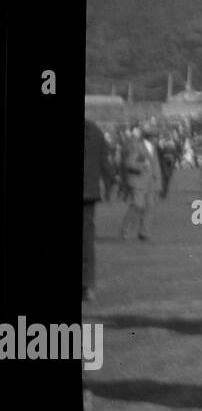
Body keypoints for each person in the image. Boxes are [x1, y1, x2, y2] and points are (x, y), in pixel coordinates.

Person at [83, 118, 115, 302]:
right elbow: (105, 162)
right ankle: (87, 285)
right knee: (87, 240)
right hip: (89, 192)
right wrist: (112, 179)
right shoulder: (95, 131)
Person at [117, 125, 161, 241]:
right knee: (137, 205)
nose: (157, 139)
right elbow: (129, 163)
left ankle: (144, 232)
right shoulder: (137, 147)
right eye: (155, 136)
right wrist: (142, 166)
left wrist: (158, 185)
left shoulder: (153, 148)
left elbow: (156, 167)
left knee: (150, 207)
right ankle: (125, 230)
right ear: (150, 137)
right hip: (138, 182)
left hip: (151, 183)